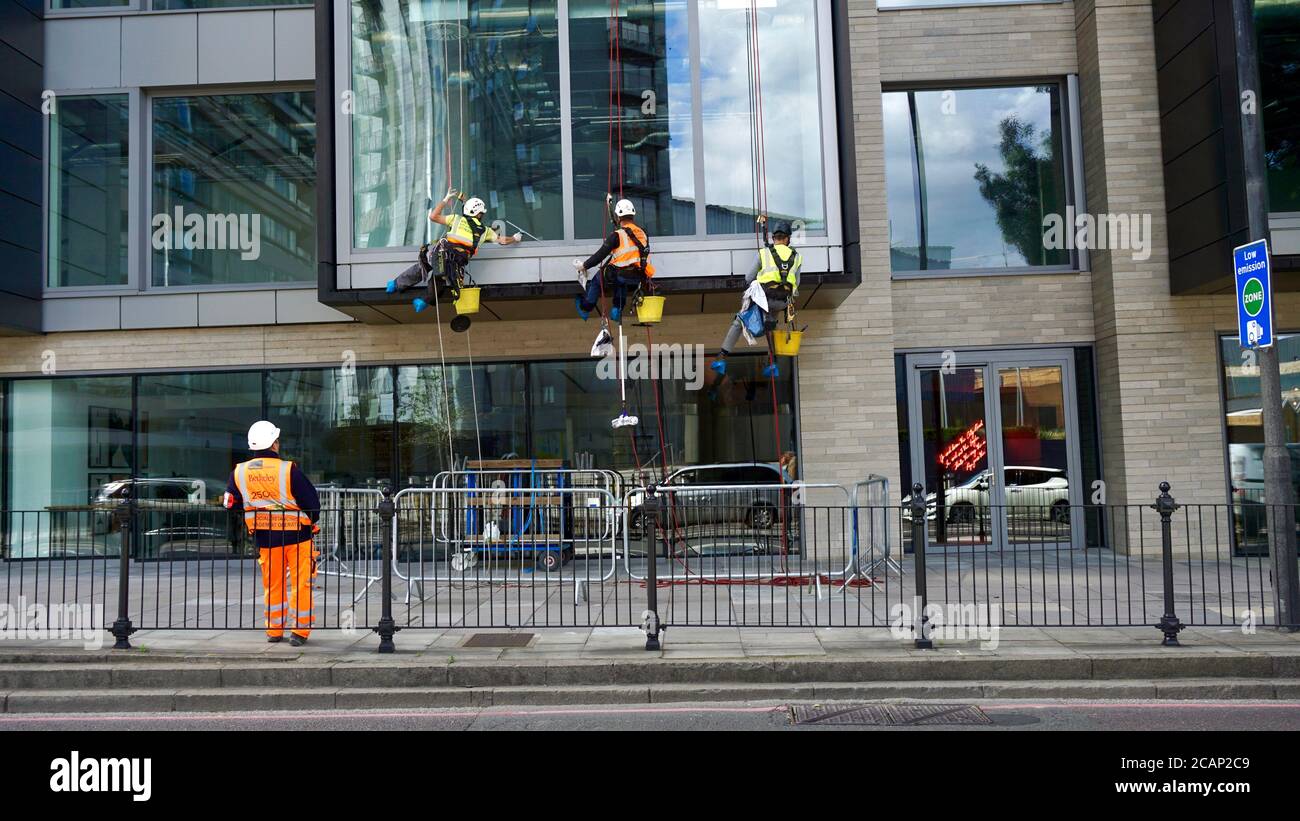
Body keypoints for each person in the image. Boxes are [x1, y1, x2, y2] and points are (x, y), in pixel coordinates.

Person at [223, 421, 321, 646]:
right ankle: (299, 632)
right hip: (298, 536)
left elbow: (230, 503)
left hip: (266, 538)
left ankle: (274, 630)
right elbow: (312, 503)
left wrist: (253, 513)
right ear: (275, 444)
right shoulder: (289, 470)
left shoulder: (239, 472)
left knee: (273, 585)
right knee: (301, 584)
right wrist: (310, 521)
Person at [386, 188, 522, 313]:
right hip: (454, 264)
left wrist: (446, 199)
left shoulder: (456, 219)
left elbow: (433, 216)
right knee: (438, 279)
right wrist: (515, 238)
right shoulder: (485, 231)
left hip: (440, 253)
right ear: (480, 214)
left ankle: (395, 284)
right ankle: (424, 301)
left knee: (422, 267)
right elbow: (502, 241)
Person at [710, 216, 802, 378]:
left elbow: (748, 277)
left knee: (739, 321)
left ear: (774, 238)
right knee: (770, 326)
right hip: (782, 301)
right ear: (788, 239)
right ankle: (772, 364)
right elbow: (797, 283)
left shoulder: (765, 253)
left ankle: (721, 358)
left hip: (764, 298)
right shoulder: (797, 257)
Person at [574, 196, 654, 323]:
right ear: (633, 215)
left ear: (618, 217)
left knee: (598, 279)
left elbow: (600, 255)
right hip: (639, 275)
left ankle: (585, 307)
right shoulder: (643, 233)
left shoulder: (616, 235)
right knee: (620, 284)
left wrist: (584, 266)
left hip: (620, 273)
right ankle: (617, 309)